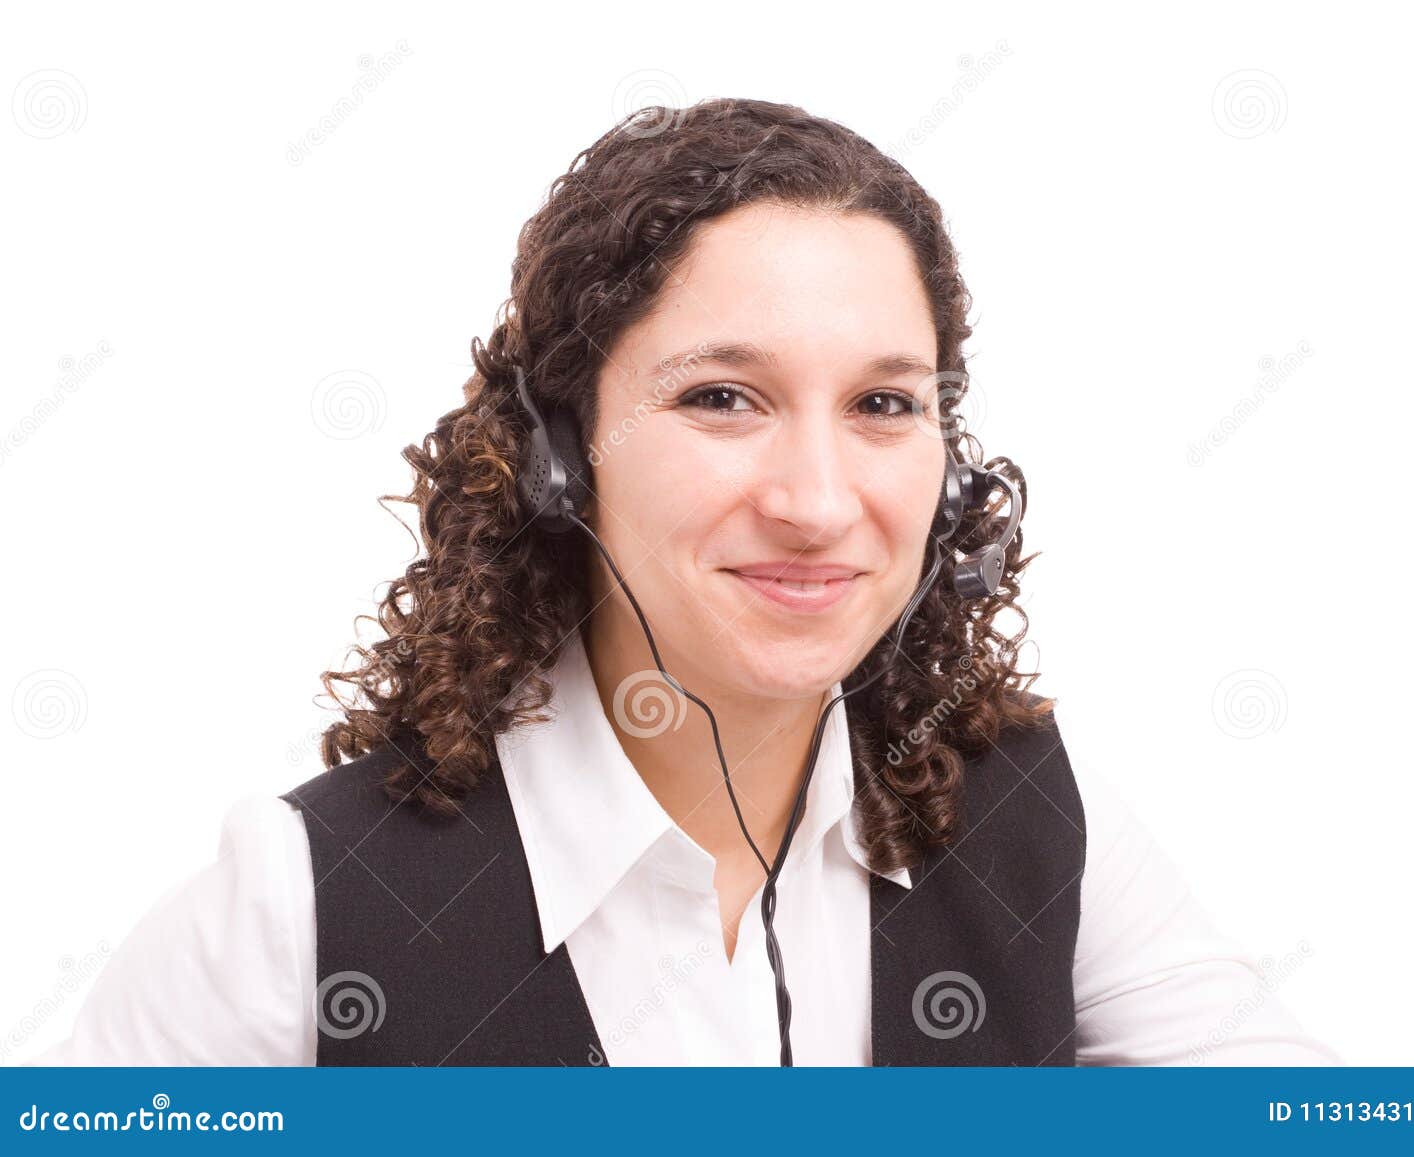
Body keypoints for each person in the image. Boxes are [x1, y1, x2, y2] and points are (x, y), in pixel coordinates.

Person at [25, 97, 1339, 1067]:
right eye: (723, 397)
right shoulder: (302, 901)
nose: (818, 502)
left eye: (883, 404)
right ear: (558, 458)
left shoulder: (1039, 829)